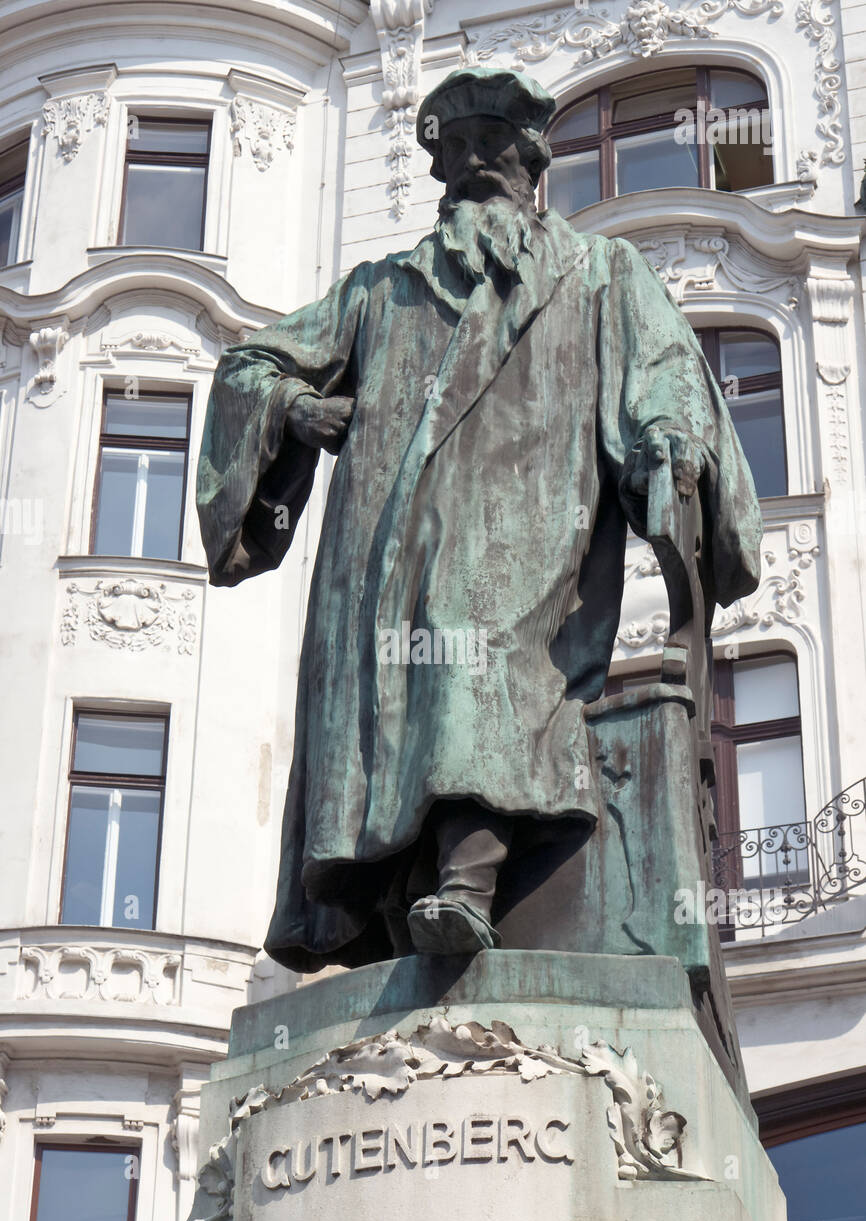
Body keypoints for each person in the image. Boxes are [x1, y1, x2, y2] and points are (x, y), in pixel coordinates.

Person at [197, 67, 762, 971]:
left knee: (481, 655)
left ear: (533, 164)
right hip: (384, 554)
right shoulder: (383, 289)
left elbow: (666, 375)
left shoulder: (600, 272)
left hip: (534, 533)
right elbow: (249, 365)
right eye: (454, 152)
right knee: (393, 702)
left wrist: (666, 444)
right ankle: (397, 916)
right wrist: (294, 412)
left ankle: (463, 887)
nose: (471, 167)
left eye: (491, 147)